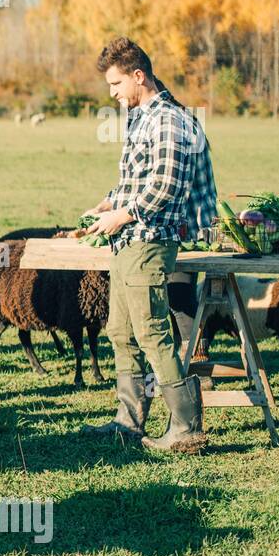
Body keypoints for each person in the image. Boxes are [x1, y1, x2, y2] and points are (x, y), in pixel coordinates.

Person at [80, 37, 218, 452]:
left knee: (153, 332)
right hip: (127, 239)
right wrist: (107, 202)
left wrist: (119, 215)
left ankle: (187, 428)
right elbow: (136, 179)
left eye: (117, 84)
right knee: (121, 329)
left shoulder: (170, 121)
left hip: (150, 240)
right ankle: (129, 420)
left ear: (139, 76)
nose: (113, 94)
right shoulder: (142, 116)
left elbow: (164, 187)